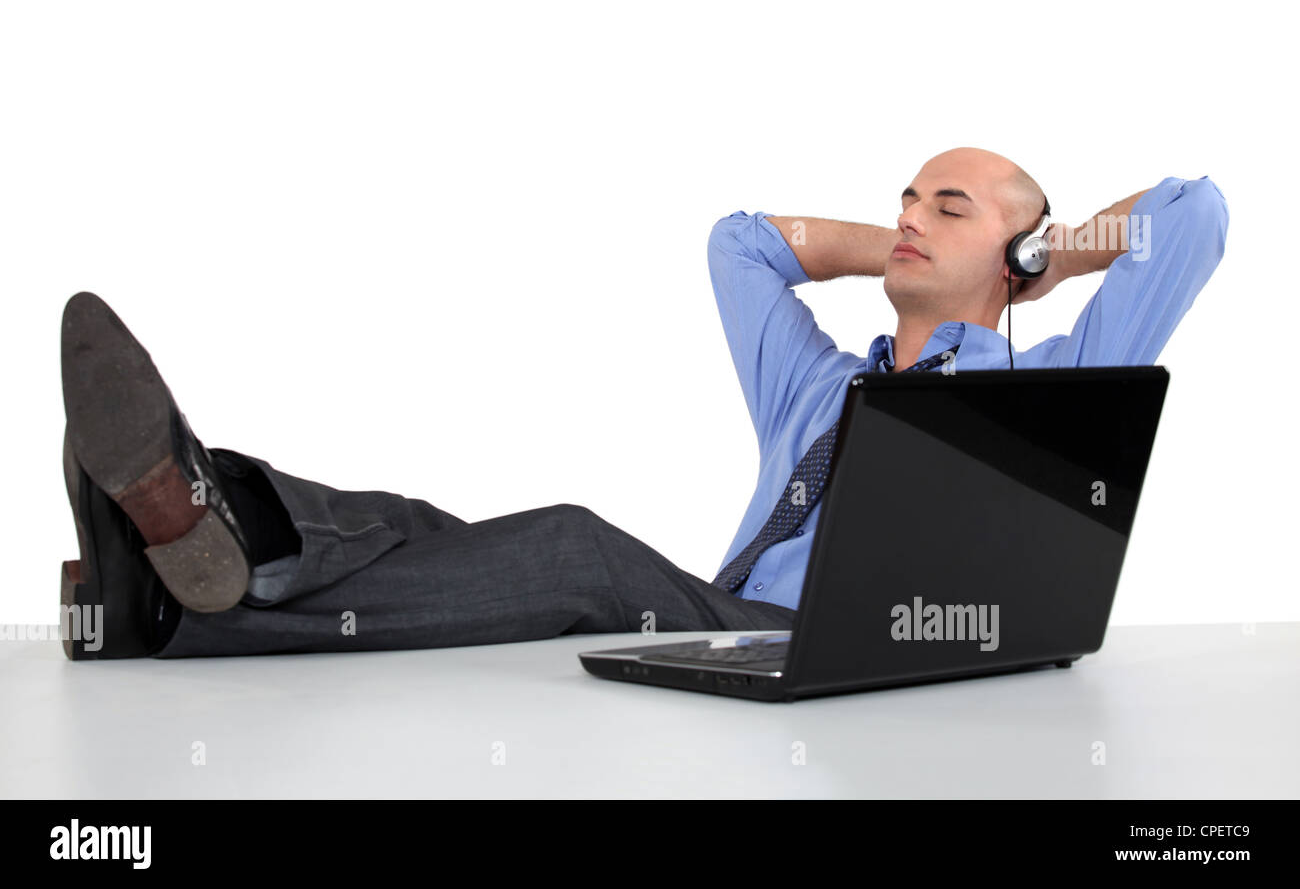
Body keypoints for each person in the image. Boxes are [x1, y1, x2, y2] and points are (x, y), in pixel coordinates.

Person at [57, 147, 1228, 659]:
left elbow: (1193, 215)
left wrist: (1039, 260)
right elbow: (737, 244)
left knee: (574, 548)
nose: (913, 211)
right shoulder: (818, 384)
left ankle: (179, 558)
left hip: (845, 643)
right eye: (906, 192)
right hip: (728, 620)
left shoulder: (1044, 385)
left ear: (1017, 246)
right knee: (417, 522)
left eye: (949, 203)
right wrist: (906, 247)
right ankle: (186, 533)